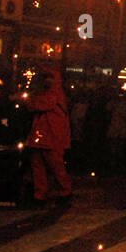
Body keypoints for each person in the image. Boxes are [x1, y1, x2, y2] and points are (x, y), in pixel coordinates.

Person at [25, 67, 72, 205]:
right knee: (39, 166)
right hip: (43, 135)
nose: (47, 80)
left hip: (51, 136)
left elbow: (40, 104)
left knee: (54, 166)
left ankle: (63, 191)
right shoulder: (49, 93)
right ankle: (41, 194)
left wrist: (26, 100)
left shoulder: (53, 93)